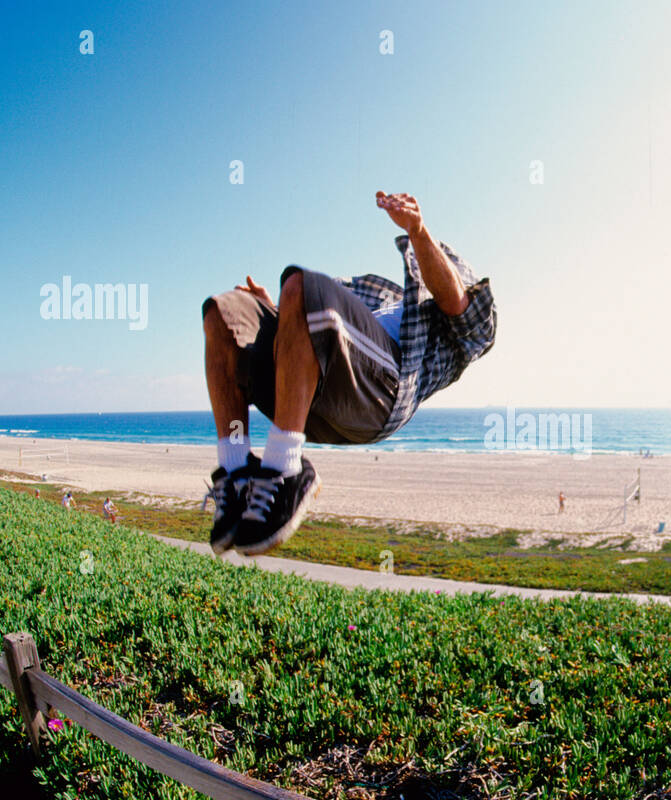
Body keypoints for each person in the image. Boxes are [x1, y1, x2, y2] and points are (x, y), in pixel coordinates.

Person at [201, 191, 496, 557]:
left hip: (379, 394)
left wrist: (418, 232)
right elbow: (305, 315)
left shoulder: (473, 327)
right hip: (315, 395)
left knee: (302, 284)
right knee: (224, 313)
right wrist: (273, 310)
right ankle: (237, 472)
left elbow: (453, 298)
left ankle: (283, 470)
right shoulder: (382, 295)